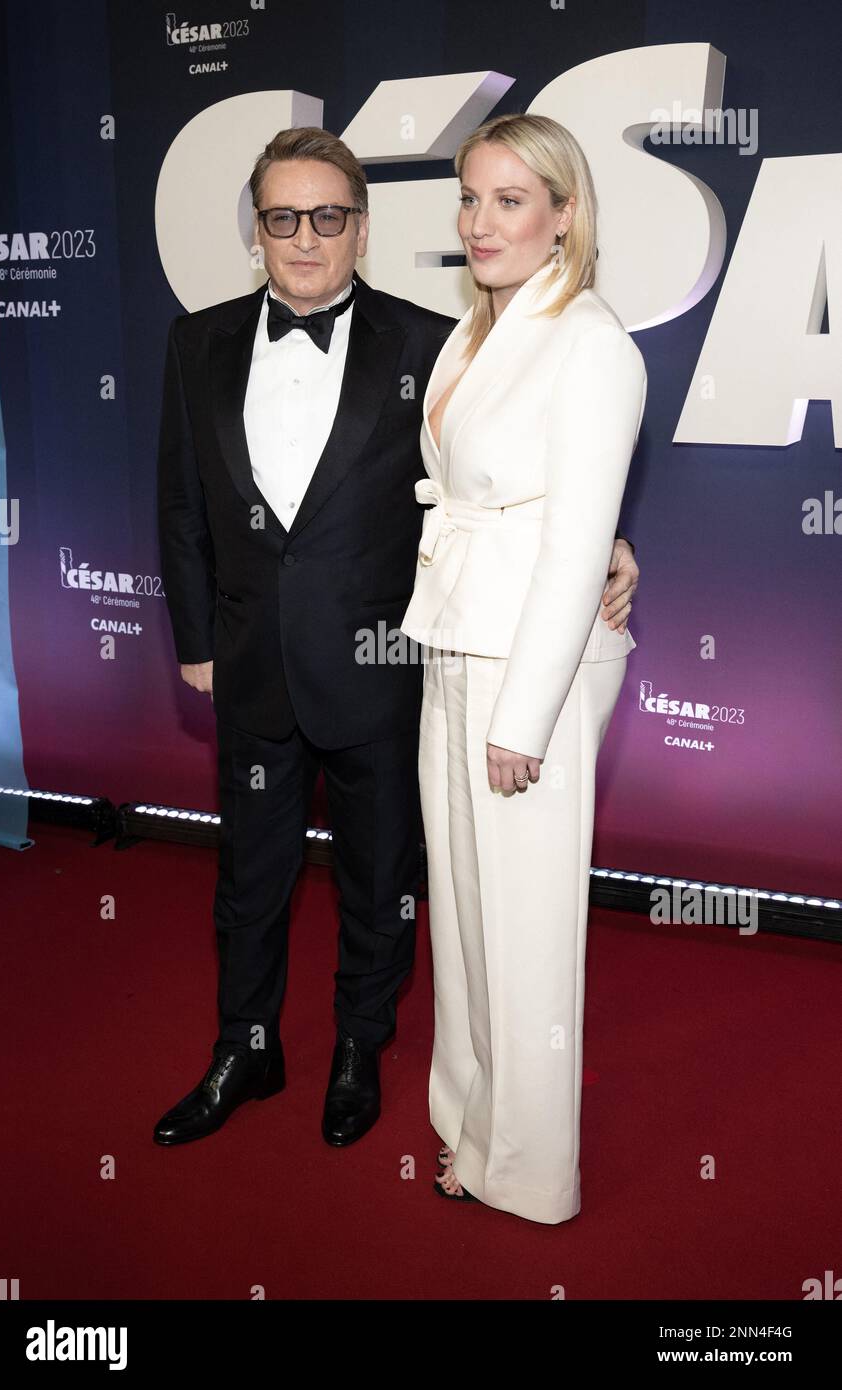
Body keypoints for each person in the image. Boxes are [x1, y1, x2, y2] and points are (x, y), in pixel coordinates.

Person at [154, 126, 639, 1151]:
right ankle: (243, 1045)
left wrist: (609, 539)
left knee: (384, 882)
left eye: (326, 216)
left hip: (380, 668)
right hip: (249, 668)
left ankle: (355, 1051)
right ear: (256, 231)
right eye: (280, 217)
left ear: (360, 230)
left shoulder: (430, 339)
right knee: (248, 876)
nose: (302, 239)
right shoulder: (192, 342)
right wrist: (195, 638)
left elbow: (508, 467)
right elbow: (181, 502)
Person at [400, 113, 647, 1223]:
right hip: (453, 640)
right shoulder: (473, 333)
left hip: (527, 671)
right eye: (469, 196)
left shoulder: (589, 340)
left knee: (528, 923)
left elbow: (573, 538)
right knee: (460, 909)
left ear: (561, 217)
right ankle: (468, 1120)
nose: (481, 220)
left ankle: (532, 1170)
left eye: (510, 200)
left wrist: (524, 717)